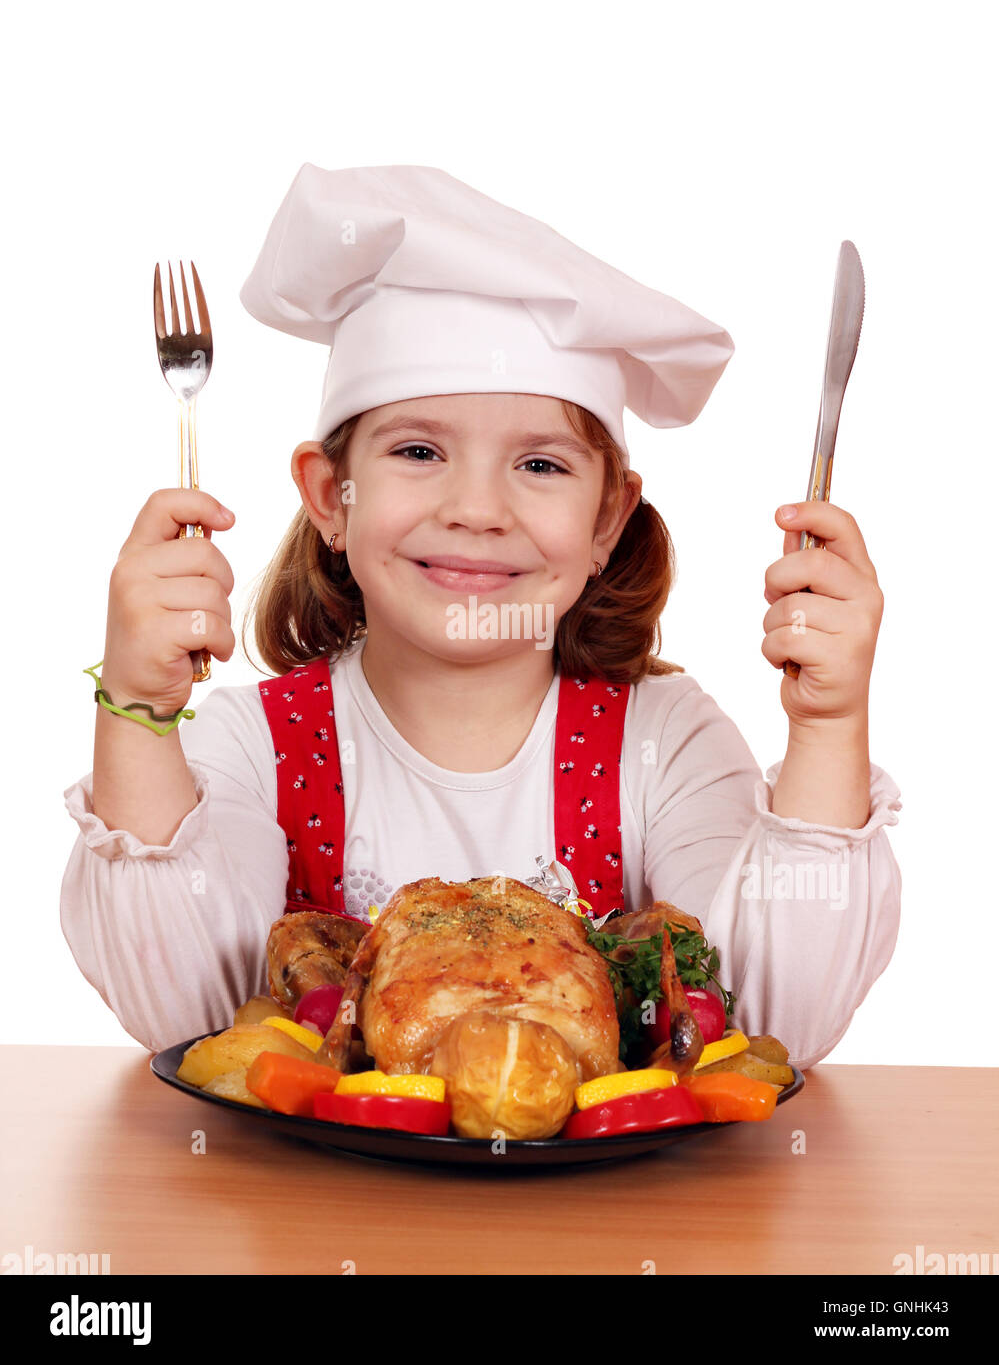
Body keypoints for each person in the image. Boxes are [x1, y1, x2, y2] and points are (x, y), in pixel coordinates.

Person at [61, 164, 901, 1064]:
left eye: (540, 466)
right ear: (330, 496)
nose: (476, 510)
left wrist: (827, 727)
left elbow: (764, 1031)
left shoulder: (667, 742)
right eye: (419, 450)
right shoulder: (252, 746)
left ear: (606, 519)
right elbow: (184, 1023)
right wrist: (140, 716)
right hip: (305, 1208)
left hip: (608, 1212)